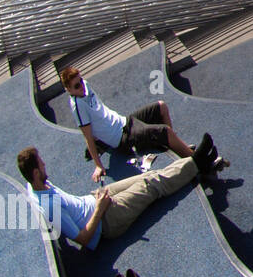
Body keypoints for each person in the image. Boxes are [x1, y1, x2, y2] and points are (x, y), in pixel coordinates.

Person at [17, 136, 227, 251]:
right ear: (36, 172)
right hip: (106, 221)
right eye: (42, 165)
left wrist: (96, 201)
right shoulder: (49, 206)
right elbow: (84, 240)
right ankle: (199, 160)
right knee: (151, 185)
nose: (45, 165)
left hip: (96, 198)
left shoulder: (34, 184)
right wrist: (99, 209)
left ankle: (199, 162)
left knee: (150, 174)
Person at [61, 66, 193, 183]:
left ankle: (175, 146)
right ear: (69, 90)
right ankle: (196, 160)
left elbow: (99, 114)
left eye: (80, 81)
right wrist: (98, 165)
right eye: (77, 86)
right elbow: (88, 137)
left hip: (125, 121)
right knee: (165, 131)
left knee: (161, 106)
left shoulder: (86, 85)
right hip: (122, 138)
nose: (82, 86)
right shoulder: (78, 107)